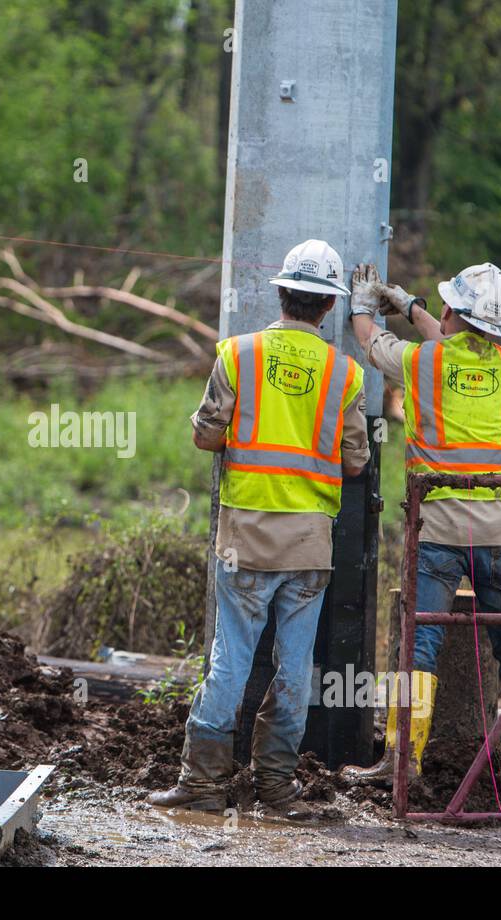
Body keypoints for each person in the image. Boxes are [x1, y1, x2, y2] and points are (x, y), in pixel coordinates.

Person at [148, 239, 370, 813]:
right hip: (308, 547)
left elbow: (205, 435)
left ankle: (201, 784)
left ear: (280, 293)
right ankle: (276, 788)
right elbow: (354, 462)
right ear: (328, 308)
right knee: (295, 668)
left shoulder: (238, 354)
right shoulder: (344, 374)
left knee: (230, 660)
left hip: (243, 543)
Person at [342, 262, 501, 784]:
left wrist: (363, 303)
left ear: (452, 310)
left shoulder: (422, 362)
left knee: (420, 644)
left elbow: (370, 341)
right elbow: (456, 346)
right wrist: (411, 303)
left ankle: (402, 767)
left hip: (438, 529)